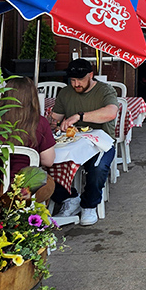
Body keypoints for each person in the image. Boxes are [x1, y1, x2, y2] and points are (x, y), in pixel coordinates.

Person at [49, 59, 118, 226]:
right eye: (72, 80)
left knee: (98, 168)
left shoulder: (105, 90)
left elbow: (111, 113)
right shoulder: (65, 93)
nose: (76, 84)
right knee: (47, 161)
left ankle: (89, 205)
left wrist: (79, 116)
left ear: (91, 75)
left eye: (80, 79)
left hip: (102, 142)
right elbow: (55, 118)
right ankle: (69, 198)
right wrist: (53, 124)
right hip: (73, 142)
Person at [5, 76, 56, 204]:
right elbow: (48, 161)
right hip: (27, 189)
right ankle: (35, 213)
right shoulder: (40, 122)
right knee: (48, 182)